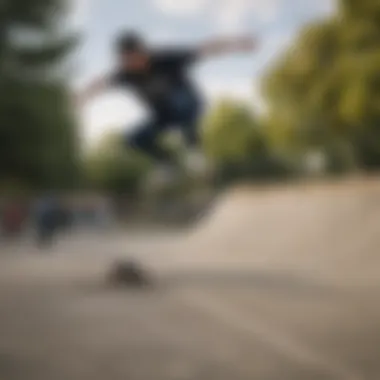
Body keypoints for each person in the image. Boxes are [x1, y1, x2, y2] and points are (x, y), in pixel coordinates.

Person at [78, 32, 258, 187]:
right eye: (127, 61)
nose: (133, 65)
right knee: (132, 138)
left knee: (179, 101)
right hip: (163, 117)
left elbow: (205, 49)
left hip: (188, 105)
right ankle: (167, 164)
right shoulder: (125, 74)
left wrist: (238, 43)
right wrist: (81, 97)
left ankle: (194, 151)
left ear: (142, 51)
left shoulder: (166, 58)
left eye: (134, 59)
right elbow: (101, 84)